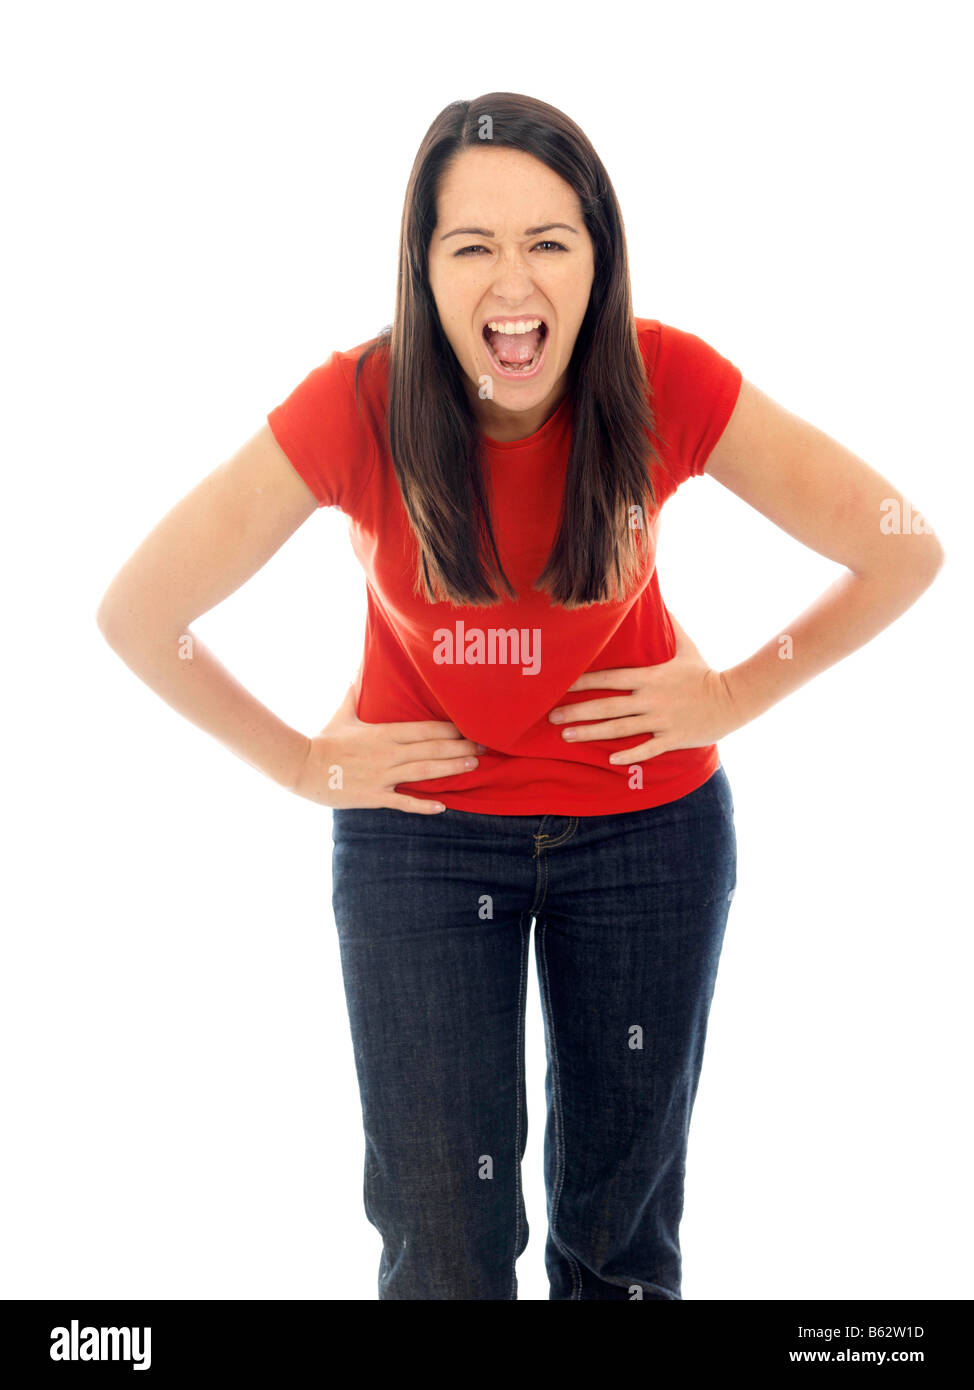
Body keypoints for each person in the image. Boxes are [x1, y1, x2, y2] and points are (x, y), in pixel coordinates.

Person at [95, 92, 945, 1300]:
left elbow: (902, 544)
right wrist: (301, 764)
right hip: (419, 850)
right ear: (422, 266)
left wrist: (734, 695)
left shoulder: (665, 379)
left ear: (596, 258)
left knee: (619, 1253)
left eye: (549, 240)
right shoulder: (356, 403)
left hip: (648, 839)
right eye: (471, 244)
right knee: (442, 1252)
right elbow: (139, 611)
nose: (513, 280)